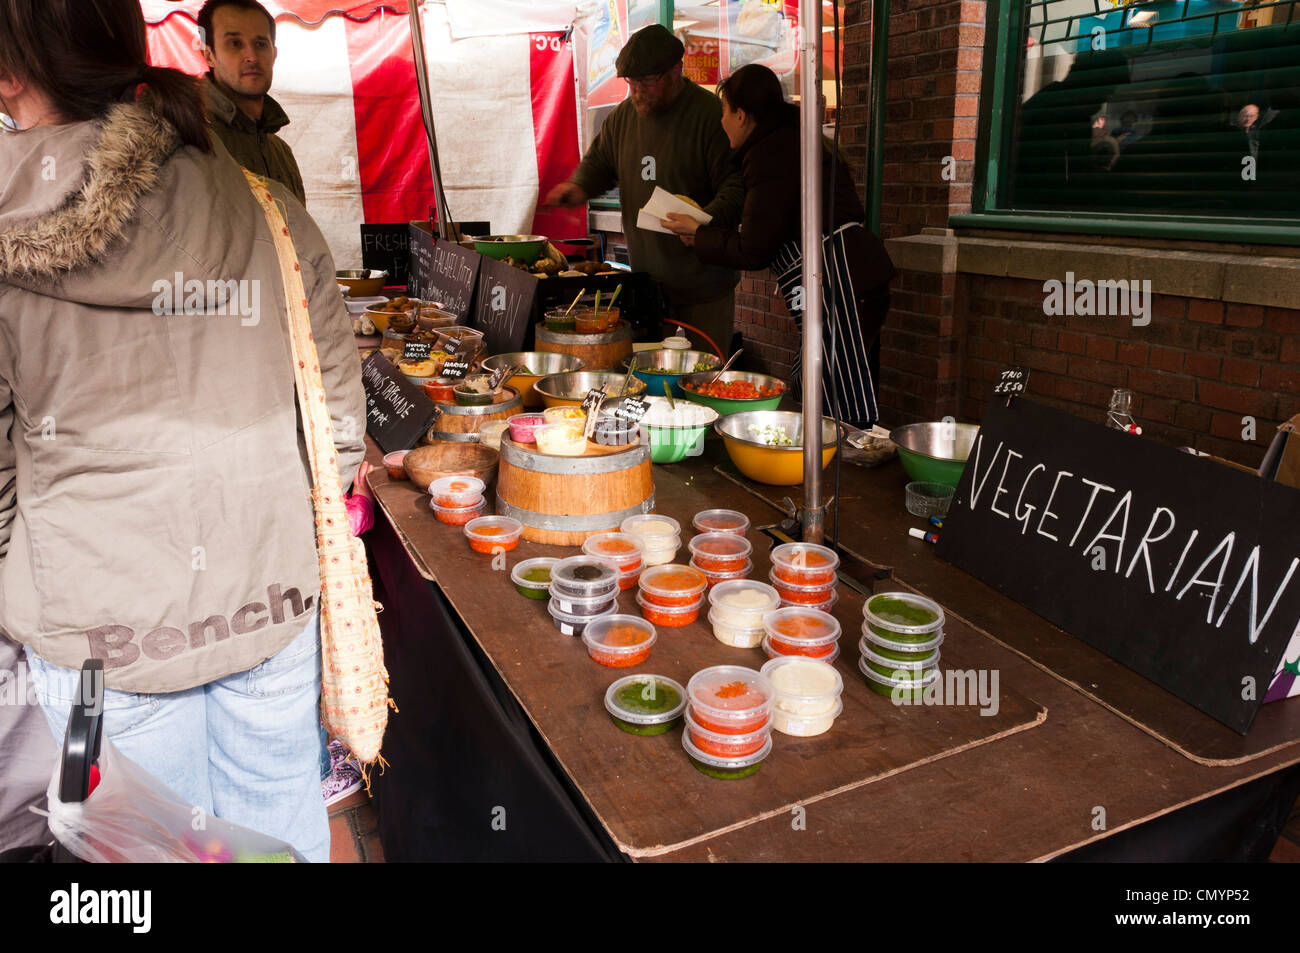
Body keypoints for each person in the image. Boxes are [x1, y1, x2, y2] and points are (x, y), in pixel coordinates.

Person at [0, 0, 365, 862]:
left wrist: (31, 562)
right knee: (279, 828)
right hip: (268, 604)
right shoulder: (263, 202)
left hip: (93, 631)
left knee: (145, 860)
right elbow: (338, 416)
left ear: (11, 72)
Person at [661, 64, 895, 427]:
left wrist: (699, 234)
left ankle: (839, 469)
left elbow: (755, 249)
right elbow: (770, 224)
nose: (721, 122)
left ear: (741, 114)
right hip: (852, 275)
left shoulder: (771, 153)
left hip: (841, 279)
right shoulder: (788, 140)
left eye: (723, 112)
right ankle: (841, 454)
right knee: (827, 379)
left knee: (835, 390)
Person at [543, 24, 744, 354]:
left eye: (648, 82)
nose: (637, 91)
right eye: (631, 83)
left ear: (677, 69)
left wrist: (704, 220)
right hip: (648, 284)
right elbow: (600, 165)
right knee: (650, 379)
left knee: (705, 377)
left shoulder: (710, 116)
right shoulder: (622, 119)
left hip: (704, 284)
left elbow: (736, 186)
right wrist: (577, 187)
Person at [198, 0, 306, 206]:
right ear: (209, 56)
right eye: (235, 43)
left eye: (260, 44)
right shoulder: (190, 138)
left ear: (274, 54)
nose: (252, 57)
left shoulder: (281, 152)